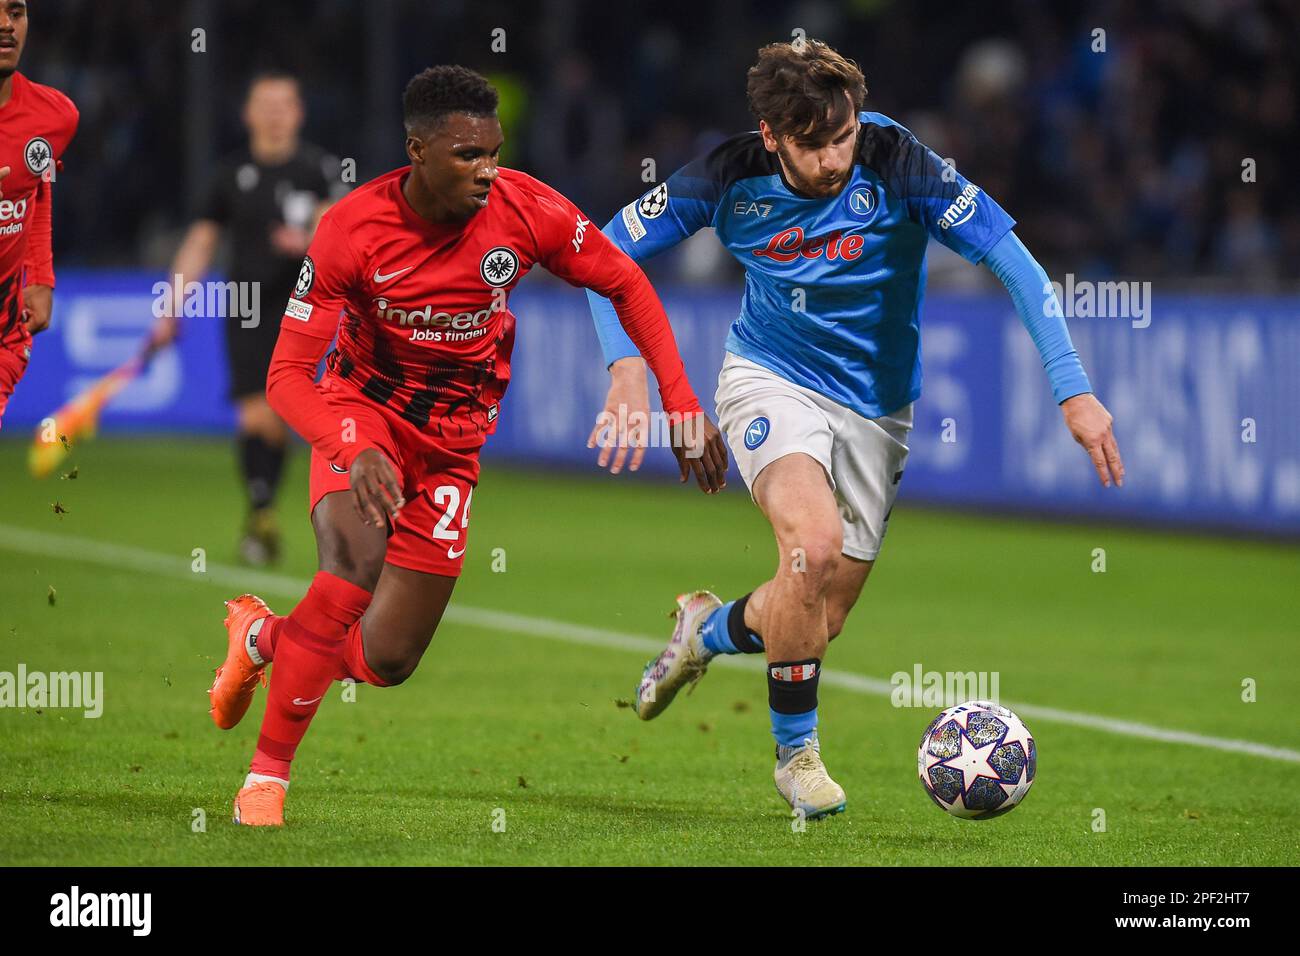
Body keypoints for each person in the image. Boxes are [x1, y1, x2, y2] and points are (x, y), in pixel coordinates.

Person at [587, 40, 1124, 819]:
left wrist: (1073, 390)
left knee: (815, 614)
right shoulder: (725, 176)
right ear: (772, 136)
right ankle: (796, 758)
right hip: (769, 377)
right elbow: (605, 258)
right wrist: (626, 369)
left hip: (879, 409)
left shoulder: (897, 158)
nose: (836, 157)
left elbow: (1016, 263)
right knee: (814, 543)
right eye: (814, 145)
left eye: (843, 136)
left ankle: (705, 631)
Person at [207, 65, 728, 826]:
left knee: (388, 659)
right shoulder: (352, 227)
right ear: (416, 151)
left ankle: (261, 637)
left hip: (451, 444)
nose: (487, 171)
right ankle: (265, 782)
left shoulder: (525, 210)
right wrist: (348, 444)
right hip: (364, 416)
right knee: (350, 569)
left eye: (494, 152)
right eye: (466, 156)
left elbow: (625, 281)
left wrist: (678, 398)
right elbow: (288, 375)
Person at [154, 71, 342, 564]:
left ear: (299, 112)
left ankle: (263, 509)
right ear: (249, 114)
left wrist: (308, 244)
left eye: (285, 104)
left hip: (302, 307)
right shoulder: (228, 175)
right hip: (247, 304)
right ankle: (262, 511)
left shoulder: (320, 170)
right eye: (266, 104)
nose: (276, 114)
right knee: (253, 411)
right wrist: (172, 307)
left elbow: (340, 232)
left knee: (281, 413)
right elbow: (200, 242)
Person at [0, 0, 78, 429]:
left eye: (16, 12)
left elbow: (38, 185)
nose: (6, 26)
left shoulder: (54, 117)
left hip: (4, 333)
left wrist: (42, 278)